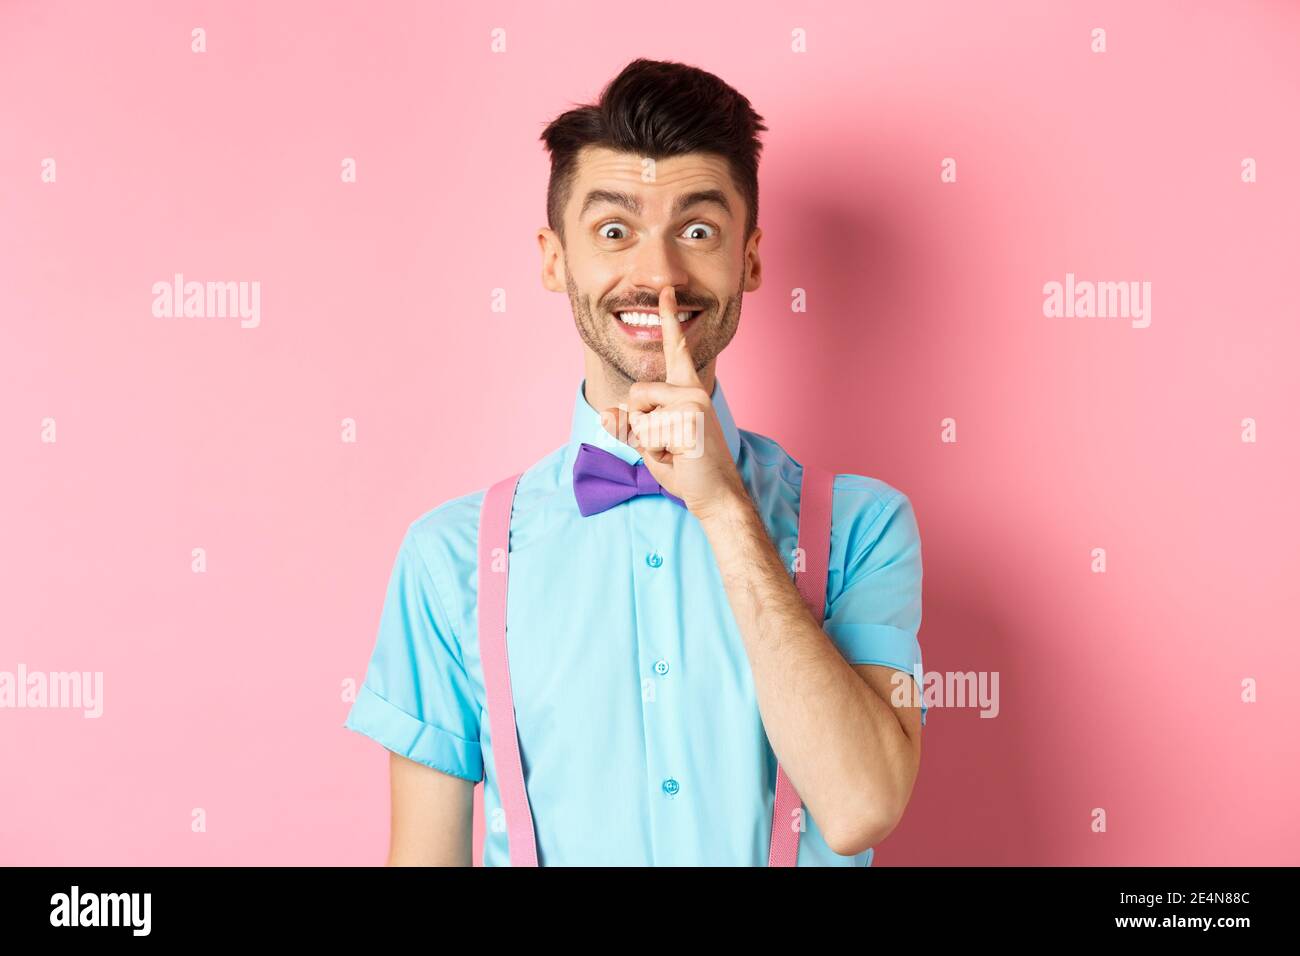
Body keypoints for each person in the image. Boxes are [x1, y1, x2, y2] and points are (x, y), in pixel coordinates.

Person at [345, 57, 925, 866]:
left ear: (750, 259)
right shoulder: (449, 558)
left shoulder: (865, 527)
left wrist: (724, 508)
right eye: (615, 232)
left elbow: (862, 807)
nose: (658, 276)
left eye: (698, 231)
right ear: (555, 260)